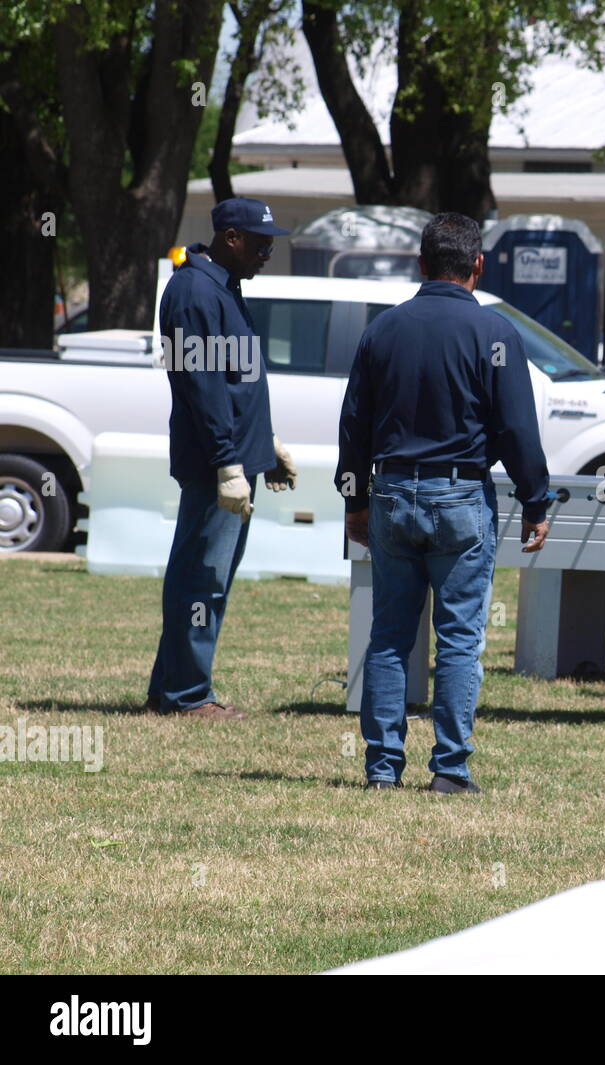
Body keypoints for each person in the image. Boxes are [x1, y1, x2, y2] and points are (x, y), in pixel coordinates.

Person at [336, 212, 551, 794]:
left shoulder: (383, 330)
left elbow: (353, 424)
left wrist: (355, 500)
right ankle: (450, 771)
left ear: (421, 264)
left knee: (389, 636)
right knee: (458, 638)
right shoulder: (495, 333)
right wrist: (536, 500)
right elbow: (516, 428)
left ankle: (382, 769)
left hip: (392, 492)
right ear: (477, 266)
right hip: (460, 496)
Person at [144, 197, 297, 721]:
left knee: (203, 573)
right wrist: (229, 462)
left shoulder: (221, 287)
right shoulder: (193, 291)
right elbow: (200, 386)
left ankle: (170, 688)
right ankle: (187, 696)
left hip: (233, 455)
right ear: (231, 237)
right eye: (261, 242)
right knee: (202, 577)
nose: (268, 251)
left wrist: (263, 445)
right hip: (216, 464)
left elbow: (235, 380)